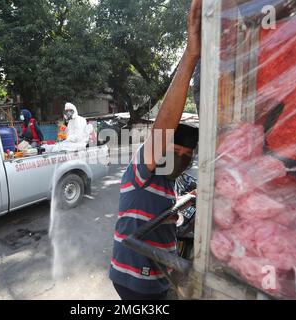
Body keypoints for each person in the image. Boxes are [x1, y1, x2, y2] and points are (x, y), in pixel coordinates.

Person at [109, 0, 202, 300]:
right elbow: (163, 125)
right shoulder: (141, 171)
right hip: (136, 282)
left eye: (188, 155)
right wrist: (190, 55)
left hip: (158, 278)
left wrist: (191, 197)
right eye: (177, 149)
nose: (183, 157)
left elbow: (166, 209)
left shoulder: (167, 180)